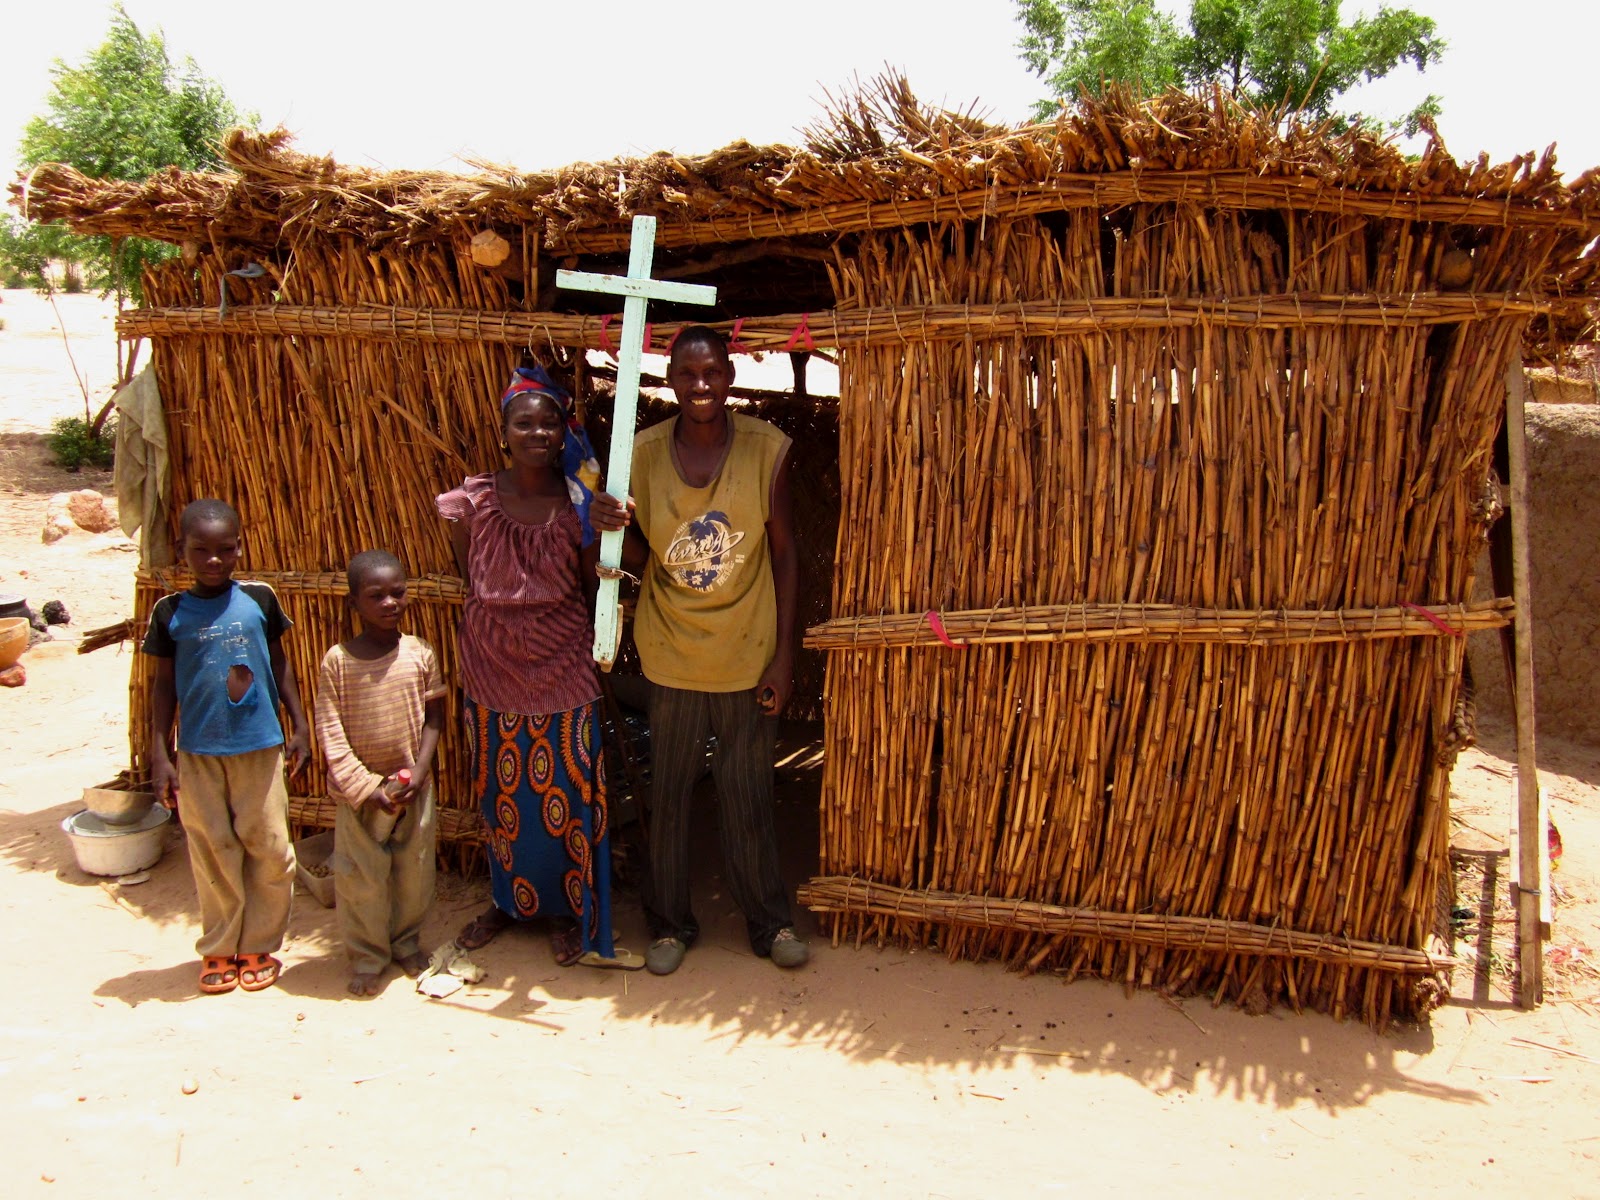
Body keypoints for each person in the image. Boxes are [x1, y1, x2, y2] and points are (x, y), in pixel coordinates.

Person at [591, 326, 809, 975]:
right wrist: (613, 526)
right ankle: (668, 925)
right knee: (673, 801)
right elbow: (636, 557)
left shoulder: (767, 450)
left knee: (747, 799)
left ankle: (769, 925)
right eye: (688, 375)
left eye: (713, 372)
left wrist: (784, 658)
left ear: (731, 376)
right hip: (672, 655)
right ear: (670, 379)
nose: (702, 386)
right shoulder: (645, 454)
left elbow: (788, 554)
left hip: (747, 655)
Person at [436, 361, 640, 970]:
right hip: (491, 672)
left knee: (568, 792)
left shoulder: (582, 504)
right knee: (504, 794)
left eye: (549, 422)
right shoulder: (470, 501)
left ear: (562, 431)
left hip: (564, 669)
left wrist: (612, 526)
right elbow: (467, 578)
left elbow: (593, 583)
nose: (537, 433)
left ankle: (563, 908)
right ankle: (509, 901)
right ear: (503, 432)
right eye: (523, 423)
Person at [145, 498, 310, 994]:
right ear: (183, 550)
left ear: (240, 547)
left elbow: (279, 663)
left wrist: (299, 722)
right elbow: (163, 686)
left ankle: (259, 943)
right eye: (201, 550)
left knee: (270, 846)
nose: (214, 560)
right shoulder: (170, 611)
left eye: (225, 549)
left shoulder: (260, 600)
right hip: (198, 753)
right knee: (212, 849)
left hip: (260, 747)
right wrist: (160, 753)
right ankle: (219, 948)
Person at [314, 549, 446, 997]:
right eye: (376, 596)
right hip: (361, 795)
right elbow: (330, 730)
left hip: (413, 788)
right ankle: (369, 957)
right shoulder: (338, 661)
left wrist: (421, 768)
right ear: (354, 604)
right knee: (360, 879)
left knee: (414, 873)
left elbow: (434, 718)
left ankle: (405, 942)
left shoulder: (420, 653)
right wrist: (366, 787)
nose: (390, 603)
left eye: (397, 592)